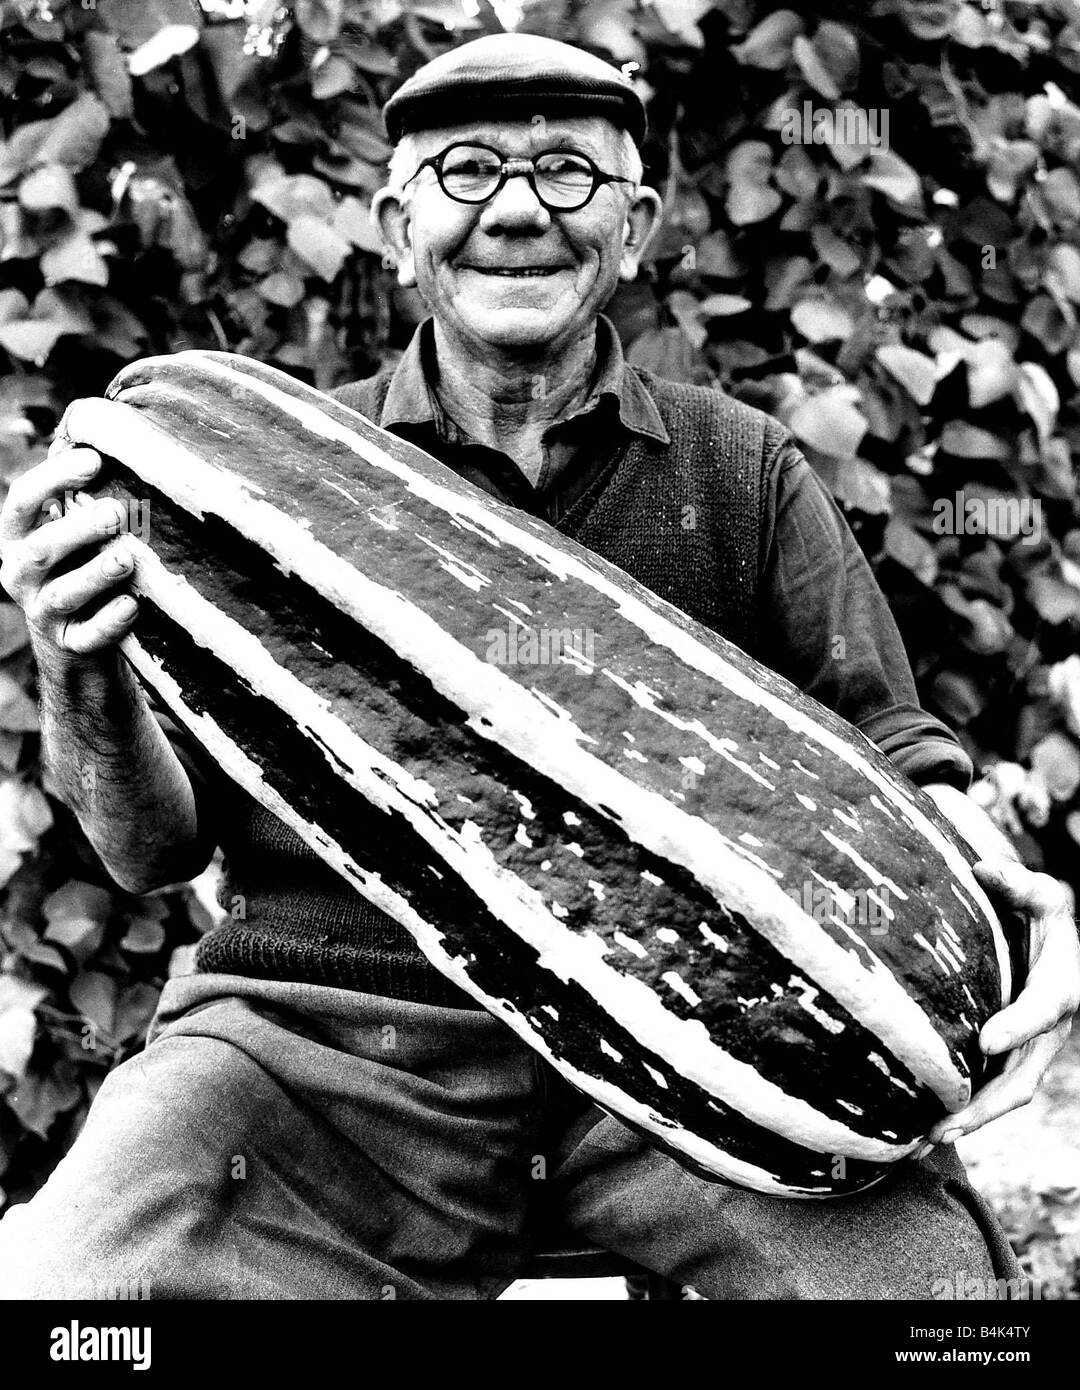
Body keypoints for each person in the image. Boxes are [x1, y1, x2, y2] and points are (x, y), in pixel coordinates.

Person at [0, 33, 1076, 1301]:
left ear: (636, 228)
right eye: (466, 173)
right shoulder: (245, 487)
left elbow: (894, 743)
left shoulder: (742, 470)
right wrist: (76, 664)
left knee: (932, 1314)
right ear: (399, 230)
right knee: (76, 1307)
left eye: (568, 172)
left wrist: (1008, 893)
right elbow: (150, 855)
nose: (516, 210)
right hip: (324, 1043)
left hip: (709, 1056)